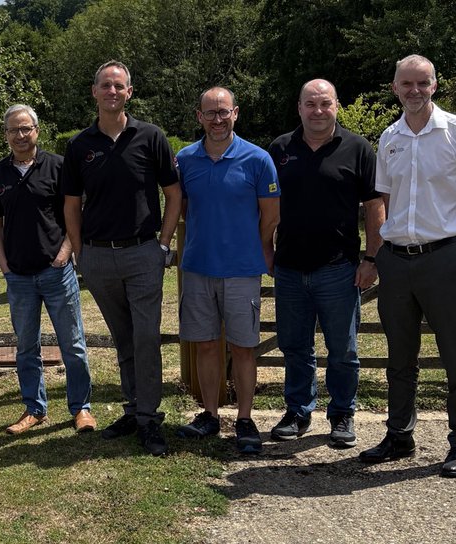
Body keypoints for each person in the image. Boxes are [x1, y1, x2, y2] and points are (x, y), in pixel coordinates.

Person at [359, 54, 456, 478]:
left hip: (443, 261)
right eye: (406, 83)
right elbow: (382, 199)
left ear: (435, 85)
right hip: (397, 262)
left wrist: (453, 241)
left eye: (422, 83)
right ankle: (399, 435)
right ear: (395, 88)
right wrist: (381, 250)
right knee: (400, 357)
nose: (414, 90)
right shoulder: (389, 137)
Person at [63, 60, 182, 456]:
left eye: (119, 86)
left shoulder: (151, 136)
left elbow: (174, 194)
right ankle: (134, 409)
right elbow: (71, 204)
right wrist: (80, 252)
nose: (112, 91)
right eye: (105, 85)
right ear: (94, 91)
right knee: (124, 338)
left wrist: (163, 243)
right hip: (98, 257)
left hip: (143, 252)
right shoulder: (79, 146)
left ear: (129, 92)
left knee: (146, 337)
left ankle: (148, 418)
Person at [267, 80, 384, 448]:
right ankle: (298, 411)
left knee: (343, 350)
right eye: (310, 104)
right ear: (299, 108)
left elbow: (375, 206)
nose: (317, 111)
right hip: (289, 267)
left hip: (339, 268)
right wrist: (266, 250)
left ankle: (342, 413)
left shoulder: (358, 148)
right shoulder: (280, 148)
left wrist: (371, 258)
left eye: (325, 103)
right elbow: (266, 205)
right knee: (294, 346)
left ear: (336, 106)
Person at [174, 87, 280, 455]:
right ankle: (210, 414)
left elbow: (271, 216)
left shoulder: (258, 159)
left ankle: (245, 419)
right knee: (205, 345)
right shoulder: (185, 160)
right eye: (210, 113)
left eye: (223, 112)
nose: (217, 119)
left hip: (241, 270)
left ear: (235, 113)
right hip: (198, 267)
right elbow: (183, 208)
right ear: (199, 116)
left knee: (244, 347)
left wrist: (254, 246)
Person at [0, 104, 94, 435]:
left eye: (25, 128)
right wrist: (4, 265)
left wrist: (64, 253)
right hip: (18, 277)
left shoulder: (59, 166)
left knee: (72, 344)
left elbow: (75, 214)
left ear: (37, 130)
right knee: (26, 348)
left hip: (56, 272)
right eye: (13, 130)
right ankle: (35, 408)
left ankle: (81, 408)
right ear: (6, 135)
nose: (20, 135)